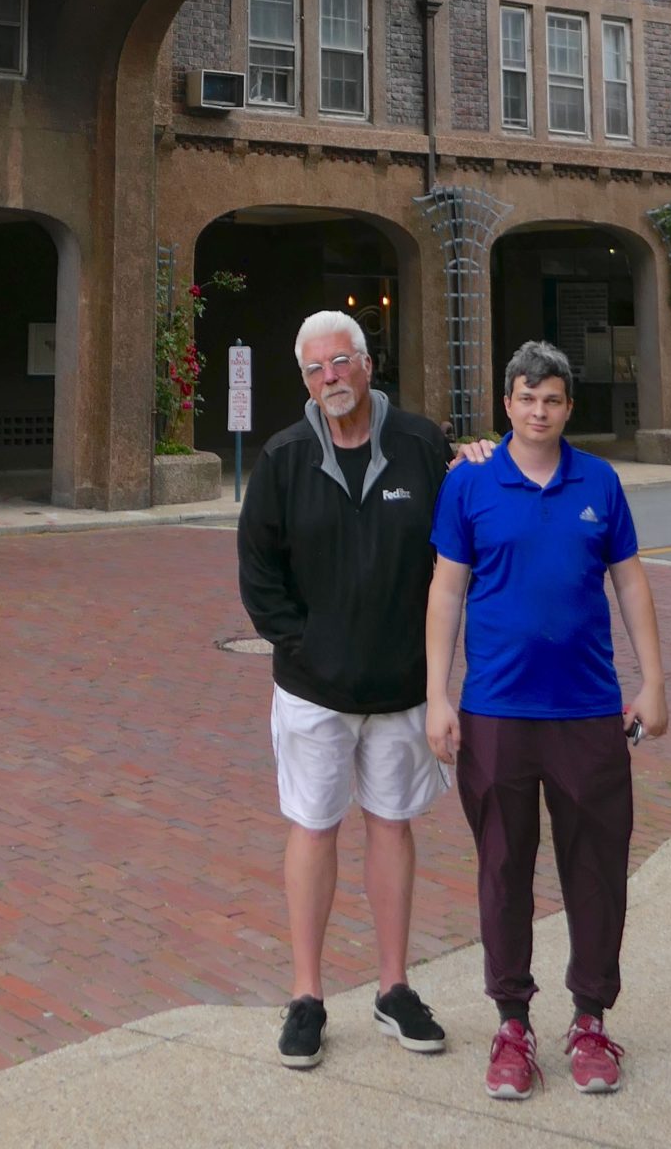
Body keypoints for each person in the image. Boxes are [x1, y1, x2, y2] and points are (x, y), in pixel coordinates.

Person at [426, 339, 668, 1102]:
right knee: (503, 871)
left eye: (553, 399)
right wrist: (438, 694)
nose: (539, 411)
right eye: (526, 398)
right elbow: (445, 592)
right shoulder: (469, 484)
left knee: (594, 870)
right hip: (495, 710)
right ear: (507, 405)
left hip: (589, 709)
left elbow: (629, 585)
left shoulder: (599, 481)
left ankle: (591, 1019)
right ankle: (512, 1025)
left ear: (569, 406)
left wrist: (653, 681)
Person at [237, 309, 455, 1071]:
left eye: (341, 361)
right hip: (313, 693)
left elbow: (458, 553)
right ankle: (306, 996)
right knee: (314, 826)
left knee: (392, 826)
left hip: (401, 689)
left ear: (367, 364)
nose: (330, 377)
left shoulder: (424, 447)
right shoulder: (284, 459)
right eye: (315, 368)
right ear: (304, 380)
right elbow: (260, 577)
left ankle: (395, 988)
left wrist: (488, 457)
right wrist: (306, 646)